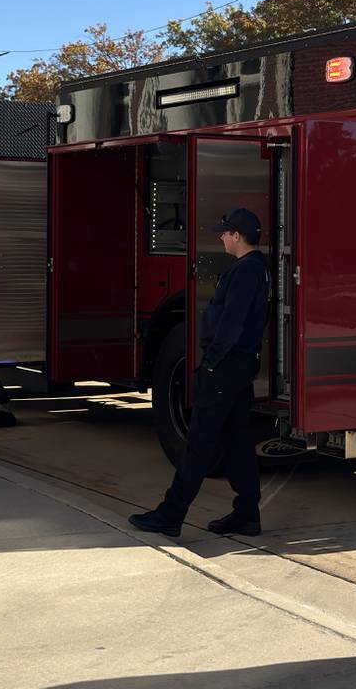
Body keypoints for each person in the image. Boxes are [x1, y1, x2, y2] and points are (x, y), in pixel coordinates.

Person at [130, 206, 268, 541]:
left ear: (237, 236)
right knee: (237, 442)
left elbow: (231, 323)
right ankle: (247, 514)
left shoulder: (246, 271)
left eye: (225, 232)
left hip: (225, 367)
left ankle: (170, 515)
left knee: (199, 444)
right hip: (237, 367)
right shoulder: (253, 268)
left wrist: (210, 364)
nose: (221, 237)